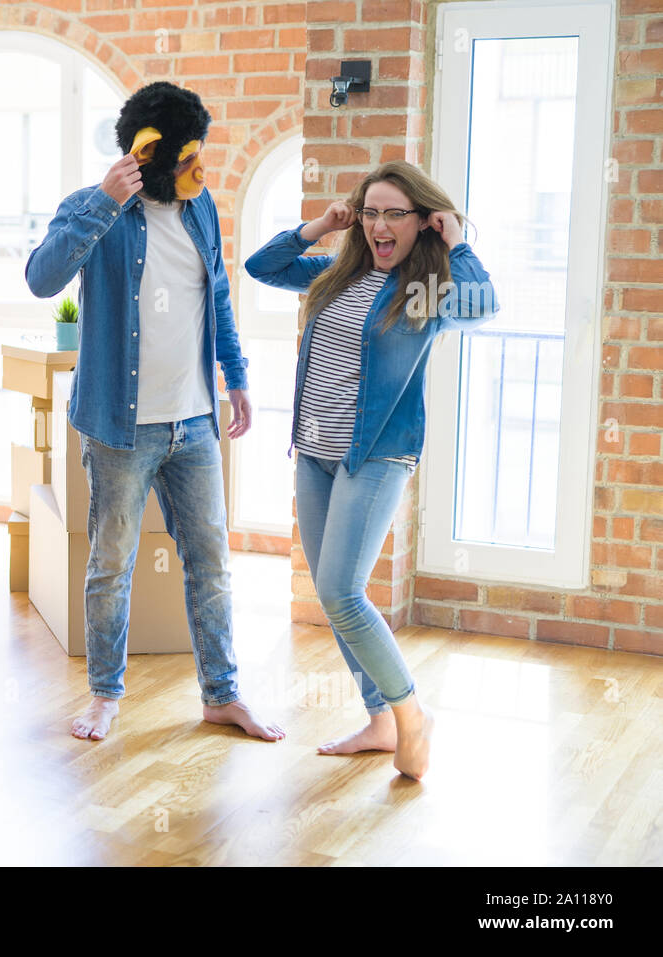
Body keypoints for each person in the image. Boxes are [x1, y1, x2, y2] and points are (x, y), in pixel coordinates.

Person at [25, 81, 284, 744]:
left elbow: (218, 295)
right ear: (147, 153)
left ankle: (221, 695)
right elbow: (41, 278)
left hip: (194, 421)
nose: (200, 168)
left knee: (212, 560)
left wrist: (237, 377)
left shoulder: (201, 211)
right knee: (111, 563)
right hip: (119, 426)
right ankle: (105, 696)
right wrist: (102, 205)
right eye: (187, 156)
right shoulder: (94, 208)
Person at [244, 160, 497, 779]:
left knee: (339, 590)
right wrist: (319, 225)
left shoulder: (425, 290)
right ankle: (381, 719)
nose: (381, 225)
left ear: (422, 223)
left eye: (396, 214)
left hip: (378, 452)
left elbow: (482, 304)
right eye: (371, 212)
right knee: (336, 597)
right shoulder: (337, 273)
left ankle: (412, 714)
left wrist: (457, 240)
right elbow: (261, 267)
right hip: (315, 450)